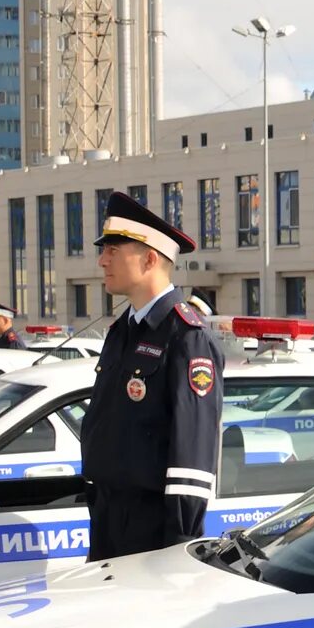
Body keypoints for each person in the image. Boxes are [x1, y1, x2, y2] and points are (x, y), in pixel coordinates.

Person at [78, 191, 226, 562]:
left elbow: (192, 456)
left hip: (153, 531)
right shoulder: (123, 331)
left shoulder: (187, 337)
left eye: (113, 250)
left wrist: (179, 544)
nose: (102, 260)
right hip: (109, 518)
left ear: (149, 258)